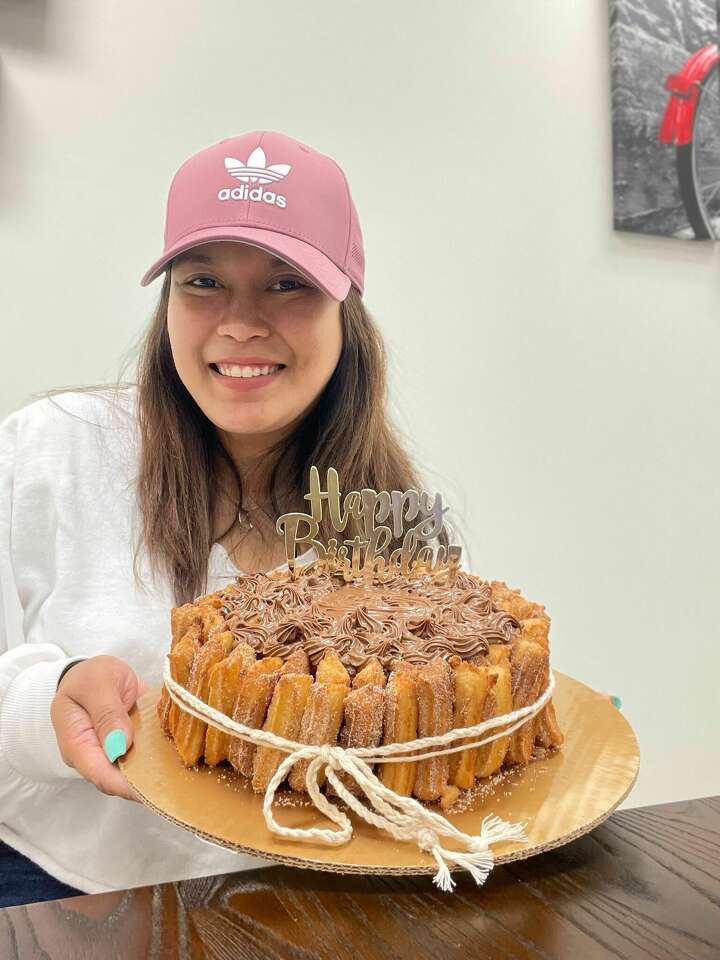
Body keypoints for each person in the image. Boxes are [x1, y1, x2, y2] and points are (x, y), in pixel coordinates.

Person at [0, 130, 445, 907]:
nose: (239, 323)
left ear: (347, 313)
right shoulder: (50, 451)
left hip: (310, 890)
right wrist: (54, 697)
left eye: (286, 285)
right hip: (58, 890)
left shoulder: (389, 516)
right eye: (202, 280)